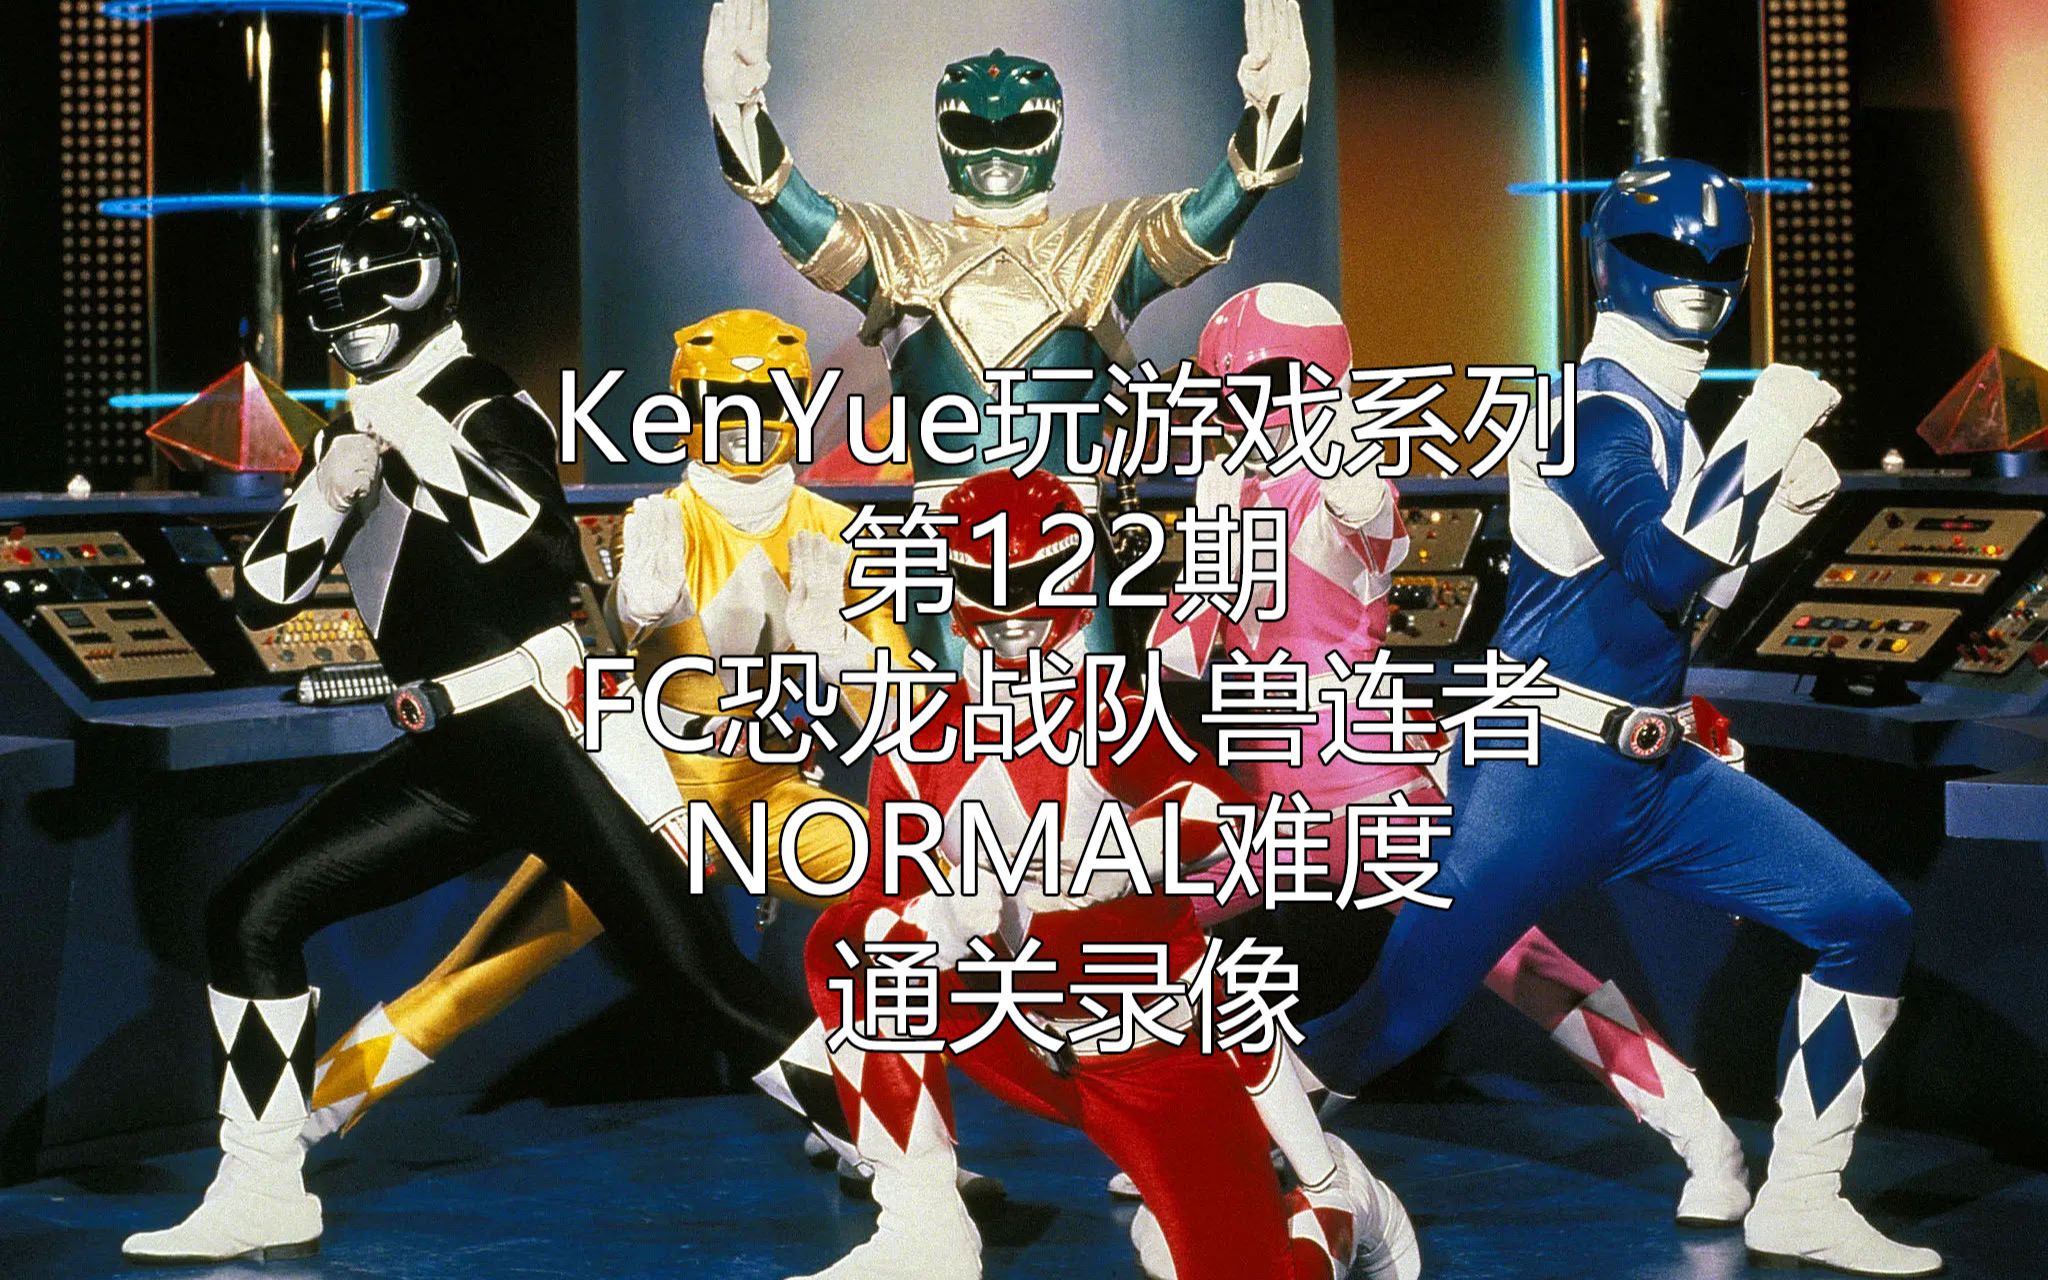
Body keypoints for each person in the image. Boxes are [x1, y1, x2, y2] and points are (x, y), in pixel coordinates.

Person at [122, 196, 808, 1265]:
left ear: (419, 284)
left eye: (366, 299)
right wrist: (326, 492)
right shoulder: (357, 424)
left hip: (550, 732)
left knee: (705, 982)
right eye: (331, 307)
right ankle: (260, 1185)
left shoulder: (483, 399)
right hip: (456, 751)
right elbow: (260, 595)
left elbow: (537, 546)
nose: (350, 326)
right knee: (251, 914)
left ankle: (913, 1166)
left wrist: (415, 445)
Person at [1299, 159, 1941, 1278]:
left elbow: (1687, 600)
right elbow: (1655, 567)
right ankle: (1213, 1132)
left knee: (1865, 918)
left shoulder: (1660, 416)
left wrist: (1772, 511)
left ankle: (1801, 1194)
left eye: (1720, 259)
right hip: (1541, 769)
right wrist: (1764, 426)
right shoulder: (1593, 410)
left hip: (1656, 767)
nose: (1696, 278)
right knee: (1387, 1018)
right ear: (1609, 264)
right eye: (1666, 253)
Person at [1146, 282, 1749, 1225]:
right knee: (1170, 944)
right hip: (1272, 792)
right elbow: (1180, 655)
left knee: (1519, 962)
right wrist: (1209, 540)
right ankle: (1204, 1133)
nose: (1244, 410)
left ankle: (1704, 1137)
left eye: (1263, 388)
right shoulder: (1238, 488)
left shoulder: (1346, 477)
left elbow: (1372, 531)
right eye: (1230, 392)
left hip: (1368, 786)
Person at [795, 469, 1418, 1280]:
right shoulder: (923, 739)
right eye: (988, 584)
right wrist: (934, 917)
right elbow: (871, 909)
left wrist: (1120, 855)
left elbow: (1216, 809)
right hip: (1014, 1028)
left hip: (1152, 1057)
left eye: (1030, 582)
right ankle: (924, 1229)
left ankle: (1338, 1207)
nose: (1011, 613)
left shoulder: (1111, 715)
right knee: (851, 948)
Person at [701, 0, 1311, 661]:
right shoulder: (901, 250)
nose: (995, 149)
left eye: (1019, 129)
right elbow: (788, 205)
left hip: (1066, 548)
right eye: (973, 128)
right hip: (946, 555)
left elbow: (1208, 218)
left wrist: (1273, 120)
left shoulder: (1101, 246)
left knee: (1085, 720)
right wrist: (739, 116)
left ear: (1052, 131)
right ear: (944, 134)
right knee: (938, 721)